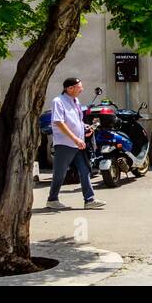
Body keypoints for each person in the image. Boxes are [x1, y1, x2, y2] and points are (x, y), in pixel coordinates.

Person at [45, 77, 104, 211]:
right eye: (79, 87)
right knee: (60, 173)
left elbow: (78, 120)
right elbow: (59, 122)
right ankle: (52, 199)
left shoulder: (75, 101)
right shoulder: (58, 101)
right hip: (65, 144)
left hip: (79, 144)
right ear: (69, 88)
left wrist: (85, 128)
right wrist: (75, 139)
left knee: (85, 170)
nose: (81, 90)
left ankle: (89, 199)